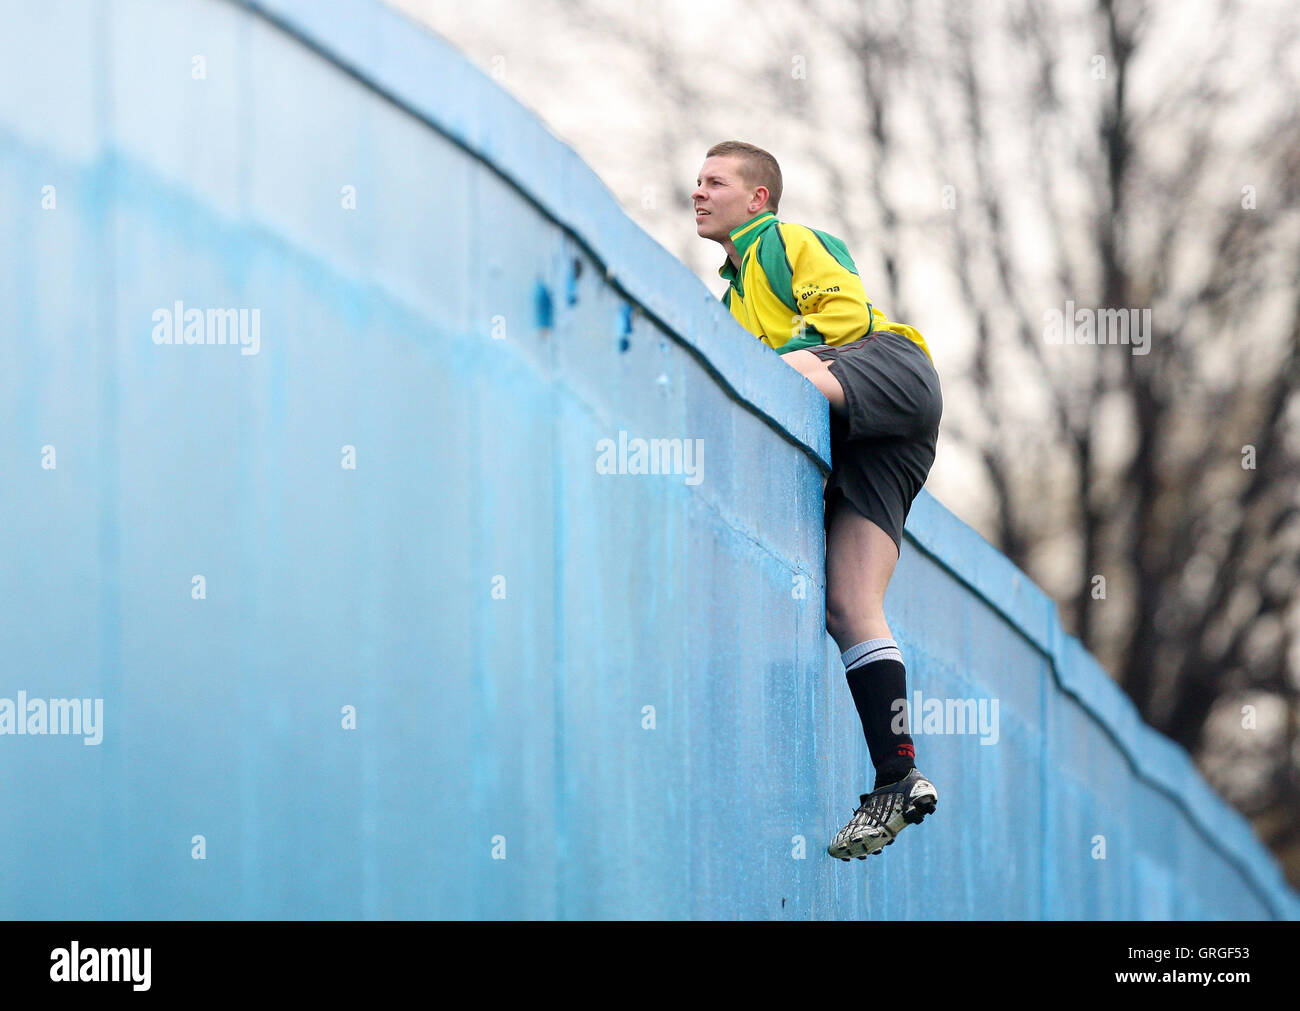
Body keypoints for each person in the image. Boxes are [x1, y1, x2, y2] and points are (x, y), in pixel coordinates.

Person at [693, 140, 942, 860]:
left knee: (783, 370)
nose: (699, 192)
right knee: (850, 606)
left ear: (758, 199)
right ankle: (897, 773)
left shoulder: (788, 243)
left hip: (889, 373)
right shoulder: (731, 299)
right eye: (697, 181)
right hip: (875, 441)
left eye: (716, 181)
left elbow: (844, 330)